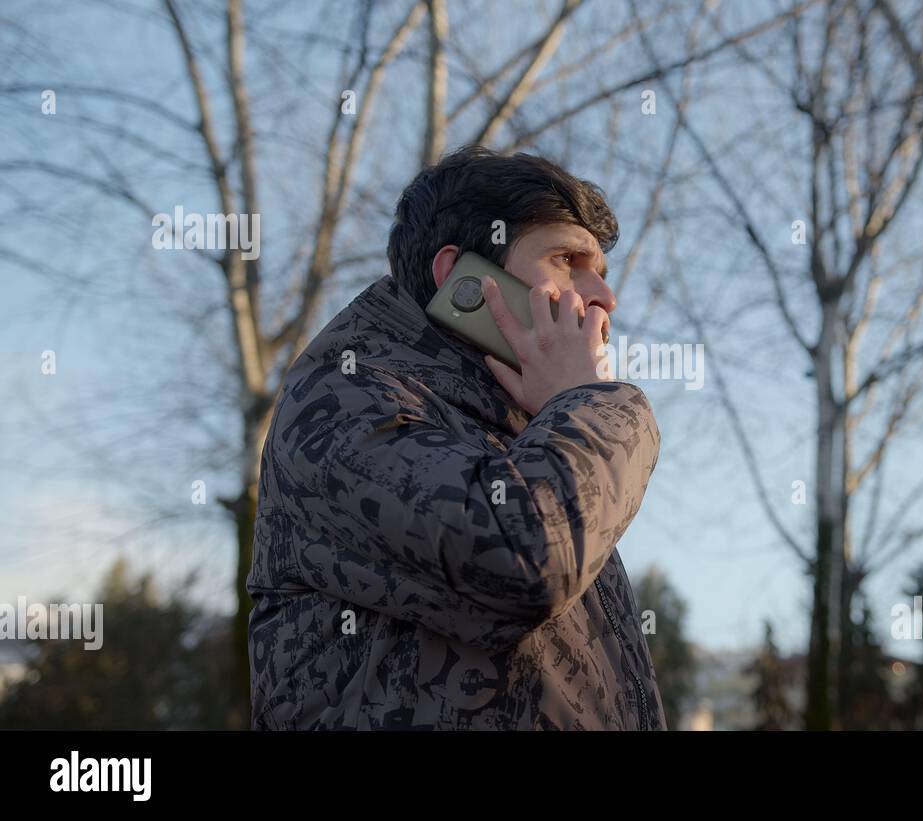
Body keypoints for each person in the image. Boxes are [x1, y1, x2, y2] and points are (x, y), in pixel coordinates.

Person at [247, 145, 664, 730]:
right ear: (461, 280)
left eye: (601, 271)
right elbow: (523, 558)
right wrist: (595, 403)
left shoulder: (530, 434)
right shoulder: (342, 400)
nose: (604, 296)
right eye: (568, 261)